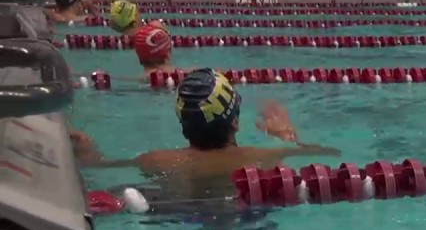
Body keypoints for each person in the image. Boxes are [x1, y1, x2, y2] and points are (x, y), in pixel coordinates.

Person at [75, 69, 338, 198]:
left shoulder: (155, 161)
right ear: (235, 122)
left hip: (181, 221)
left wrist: (86, 147)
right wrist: (290, 136)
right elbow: (331, 155)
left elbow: (97, 167)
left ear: (183, 122)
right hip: (251, 221)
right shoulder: (267, 157)